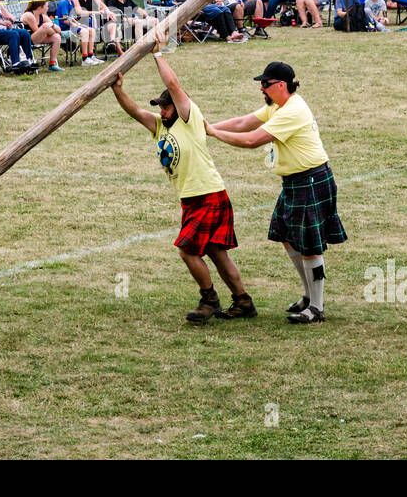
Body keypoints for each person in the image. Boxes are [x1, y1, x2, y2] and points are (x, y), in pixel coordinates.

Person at [110, 50, 256, 323]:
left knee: (187, 251)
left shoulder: (189, 120)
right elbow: (135, 111)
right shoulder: (159, 126)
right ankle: (243, 302)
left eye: (165, 107)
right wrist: (119, 90)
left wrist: (157, 53)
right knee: (215, 252)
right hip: (193, 199)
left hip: (208, 195)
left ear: (178, 107)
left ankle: (209, 299)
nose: (162, 112)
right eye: (160, 108)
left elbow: (174, 85)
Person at [205, 62, 346, 324]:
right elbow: (245, 122)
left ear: (282, 85)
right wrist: (206, 127)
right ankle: (309, 296)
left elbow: (252, 140)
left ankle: (316, 308)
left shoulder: (292, 110)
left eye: (266, 84)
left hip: (310, 180)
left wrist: (213, 133)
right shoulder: (277, 105)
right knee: (288, 238)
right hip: (296, 181)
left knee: (309, 246)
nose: (262, 88)